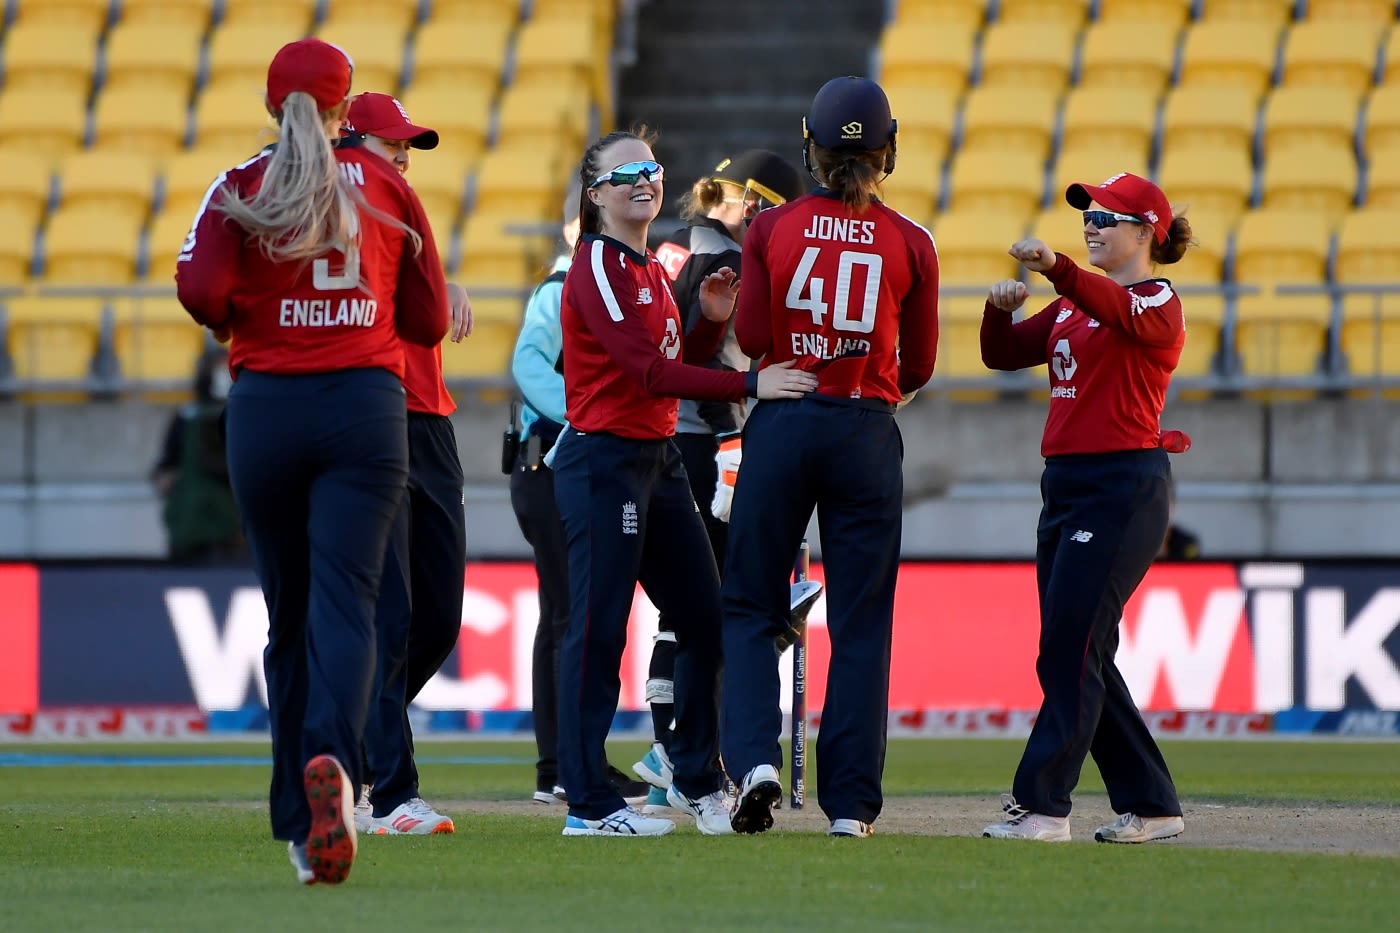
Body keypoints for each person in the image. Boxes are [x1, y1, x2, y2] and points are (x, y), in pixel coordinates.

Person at [175, 38, 449, 884]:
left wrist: (258, 315)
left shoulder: (238, 188)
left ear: (271, 104)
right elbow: (430, 316)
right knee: (350, 605)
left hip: (267, 410)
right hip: (364, 410)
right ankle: (338, 765)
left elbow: (200, 294)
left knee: (286, 616)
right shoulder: (386, 184)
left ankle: (299, 819)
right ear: (345, 107)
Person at [551, 127, 818, 837]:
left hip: (657, 458)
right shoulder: (600, 265)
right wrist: (751, 379)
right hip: (605, 461)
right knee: (599, 630)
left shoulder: (644, 268)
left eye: (652, 168)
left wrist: (707, 321)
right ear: (596, 193)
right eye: (624, 173)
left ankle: (696, 776)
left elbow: (672, 360)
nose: (644, 179)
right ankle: (587, 801)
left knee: (707, 619)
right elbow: (645, 372)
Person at [716, 76, 939, 839]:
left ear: (809, 146)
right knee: (862, 620)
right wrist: (873, 388)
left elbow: (749, 340)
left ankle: (753, 761)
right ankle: (851, 805)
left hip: (784, 419)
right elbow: (921, 364)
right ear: (889, 150)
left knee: (748, 603)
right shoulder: (913, 240)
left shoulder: (771, 230)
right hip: (865, 428)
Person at [977, 171, 1193, 844]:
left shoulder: (1158, 299)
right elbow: (1002, 352)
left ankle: (1043, 805)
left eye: (1107, 216)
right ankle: (1152, 802)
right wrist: (998, 309)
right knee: (1075, 650)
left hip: (1123, 484)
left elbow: (1116, 309)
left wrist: (1060, 268)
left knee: (1071, 645)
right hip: (1066, 483)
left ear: (1145, 233)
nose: (1091, 224)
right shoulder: (1076, 305)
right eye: (1088, 215)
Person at [633, 150, 809, 813]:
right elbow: (692, 356)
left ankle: (674, 751)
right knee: (712, 604)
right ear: (746, 201)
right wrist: (734, 443)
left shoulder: (682, 245)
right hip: (708, 439)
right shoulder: (718, 258)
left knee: (687, 610)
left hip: (692, 434)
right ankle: (677, 754)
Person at [340, 91, 473, 836]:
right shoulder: (335, 211)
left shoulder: (402, 210)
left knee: (439, 616)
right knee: (390, 616)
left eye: (407, 146)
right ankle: (393, 792)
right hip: (376, 411)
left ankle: (352, 737)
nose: (402, 156)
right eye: (392, 143)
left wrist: (444, 283)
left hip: (431, 418)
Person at [509, 177, 650, 808]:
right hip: (556, 463)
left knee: (566, 614)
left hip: (557, 462)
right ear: (578, 225)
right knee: (572, 615)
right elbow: (528, 362)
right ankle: (566, 766)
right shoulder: (565, 285)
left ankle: (562, 764)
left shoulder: (605, 279)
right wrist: (585, 415)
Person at [151, 345, 245, 566]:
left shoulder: (246, 418)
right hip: (191, 530)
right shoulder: (186, 417)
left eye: (227, 369)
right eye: (217, 369)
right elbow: (165, 467)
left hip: (235, 533)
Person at [1158, 476, 1202, 561]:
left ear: (1173, 505)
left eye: (1164, 503)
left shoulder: (1186, 544)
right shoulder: (1132, 543)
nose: (1158, 511)